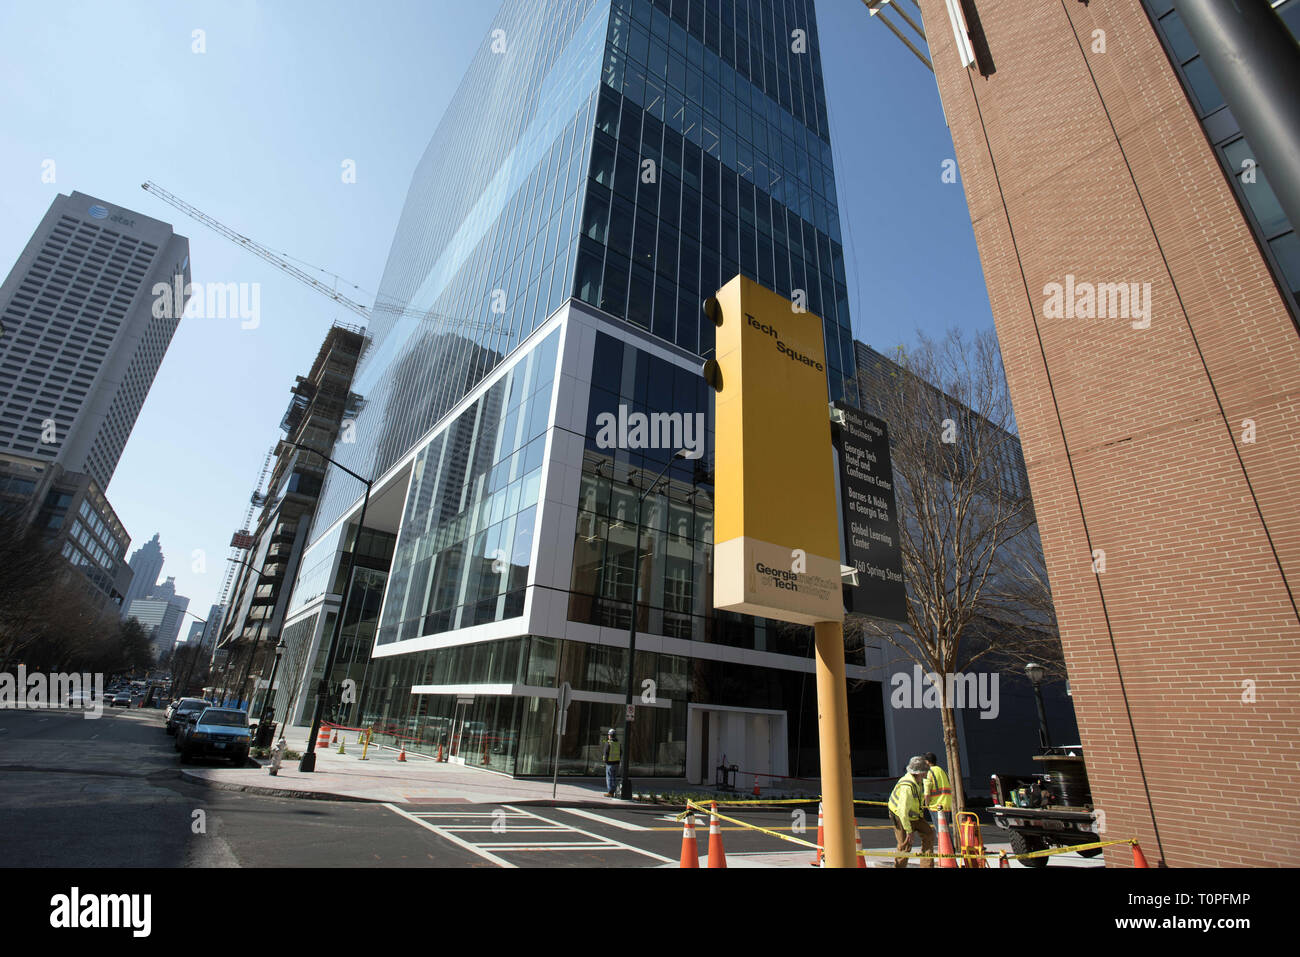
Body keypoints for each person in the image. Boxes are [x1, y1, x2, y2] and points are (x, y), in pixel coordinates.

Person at [888, 756, 935, 867]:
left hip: (914, 815)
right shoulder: (907, 787)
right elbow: (902, 812)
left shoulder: (919, 782)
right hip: (900, 816)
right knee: (905, 845)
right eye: (925, 771)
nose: (927, 773)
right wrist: (909, 831)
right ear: (919, 773)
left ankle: (926, 865)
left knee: (928, 834)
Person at [602, 728, 622, 797]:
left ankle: (610, 792)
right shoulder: (618, 743)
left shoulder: (608, 743)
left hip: (610, 763)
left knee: (609, 778)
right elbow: (621, 753)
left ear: (610, 735)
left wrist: (605, 761)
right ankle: (614, 791)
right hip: (617, 763)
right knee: (614, 778)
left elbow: (606, 753)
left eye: (608, 735)